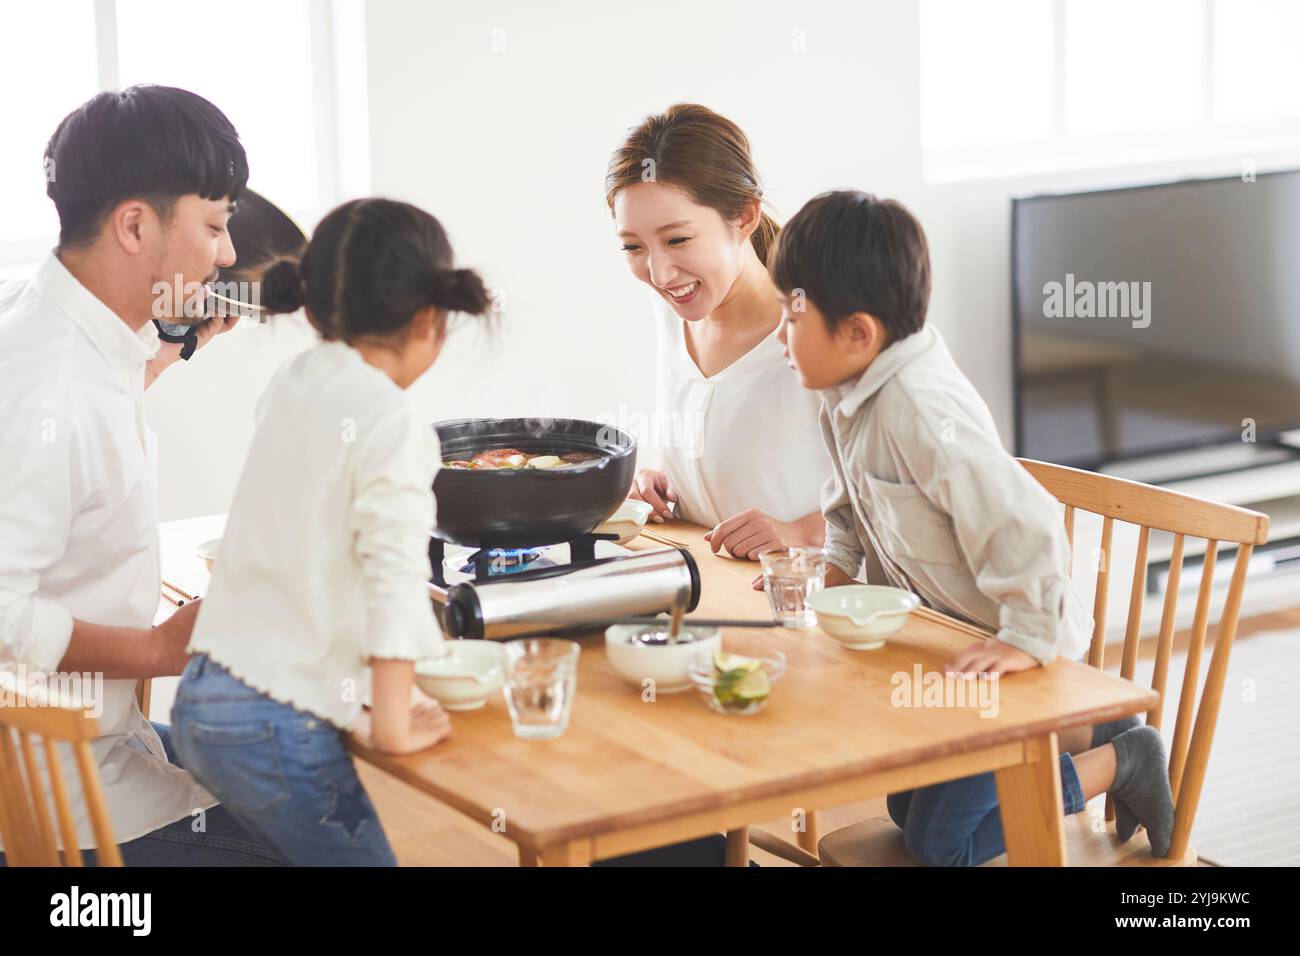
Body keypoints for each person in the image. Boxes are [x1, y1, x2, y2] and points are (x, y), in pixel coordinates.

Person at [770, 189, 1173, 865]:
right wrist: (831, 572)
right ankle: (1099, 718)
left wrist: (1025, 638)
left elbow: (1029, 520)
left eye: (793, 315)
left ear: (858, 333)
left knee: (939, 844)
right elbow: (849, 508)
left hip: (1016, 644)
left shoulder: (920, 411)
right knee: (902, 806)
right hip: (956, 638)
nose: (780, 332)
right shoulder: (843, 395)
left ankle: (1125, 756)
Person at [0, 85, 283, 866]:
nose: (227, 255)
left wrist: (171, 352)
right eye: (216, 227)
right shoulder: (45, 385)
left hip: (102, 745)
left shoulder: (44, 317)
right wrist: (160, 650)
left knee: (301, 796)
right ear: (134, 224)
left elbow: (78, 432)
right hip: (63, 799)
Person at [170, 198, 491, 865]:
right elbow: (392, 579)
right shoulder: (391, 423)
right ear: (431, 319)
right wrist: (394, 725)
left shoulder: (293, 381)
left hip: (203, 697)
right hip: (270, 721)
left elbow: (312, 554)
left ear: (312, 311)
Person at [606, 104, 829, 559]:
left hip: (814, 604)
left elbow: (910, 497)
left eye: (678, 239)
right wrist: (667, 483)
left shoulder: (824, 328)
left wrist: (802, 532)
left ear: (744, 217)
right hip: (713, 588)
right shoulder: (671, 310)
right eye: (633, 246)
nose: (661, 273)